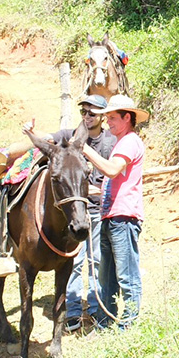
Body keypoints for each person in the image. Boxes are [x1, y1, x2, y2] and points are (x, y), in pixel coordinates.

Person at [82, 94, 147, 330]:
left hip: (123, 218)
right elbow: (114, 183)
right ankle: (104, 322)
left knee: (126, 276)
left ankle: (128, 325)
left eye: (112, 118)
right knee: (106, 277)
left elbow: (111, 170)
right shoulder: (121, 143)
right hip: (111, 217)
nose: (108, 123)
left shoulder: (129, 141)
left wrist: (85, 150)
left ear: (127, 118)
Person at [64, 94, 116, 334]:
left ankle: (95, 308)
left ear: (103, 117)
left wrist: (95, 190)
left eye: (92, 113)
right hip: (76, 212)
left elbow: (112, 177)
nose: (86, 117)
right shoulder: (73, 138)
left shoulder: (110, 143)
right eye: (83, 112)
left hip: (97, 210)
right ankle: (73, 310)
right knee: (74, 262)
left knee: (96, 262)